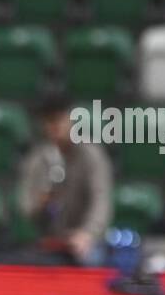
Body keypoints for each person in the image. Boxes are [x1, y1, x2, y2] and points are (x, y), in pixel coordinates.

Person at [16, 98, 112, 265]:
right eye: (49, 122)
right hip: (52, 241)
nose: (55, 127)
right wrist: (40, 204)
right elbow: (26, 206)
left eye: (59, 120)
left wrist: (87, 234)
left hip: (88, 241)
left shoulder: (91, 156)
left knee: (89, 260)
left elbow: (101, 200)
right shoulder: (38, 159)